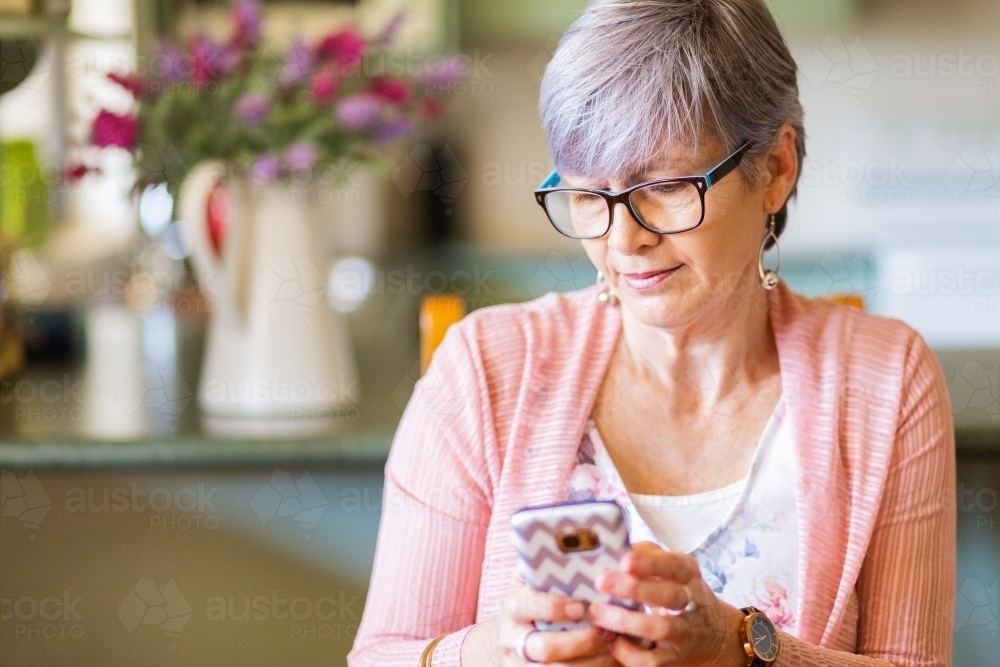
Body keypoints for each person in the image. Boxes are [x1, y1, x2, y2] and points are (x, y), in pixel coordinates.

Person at [348, 1, 956, 665]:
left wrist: (735, 646)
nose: (623, 239)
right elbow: (380, 655)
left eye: (664, 186)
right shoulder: (485, 369)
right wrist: (496, 648)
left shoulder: (887, 378)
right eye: (588, 195)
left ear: (776, 169)